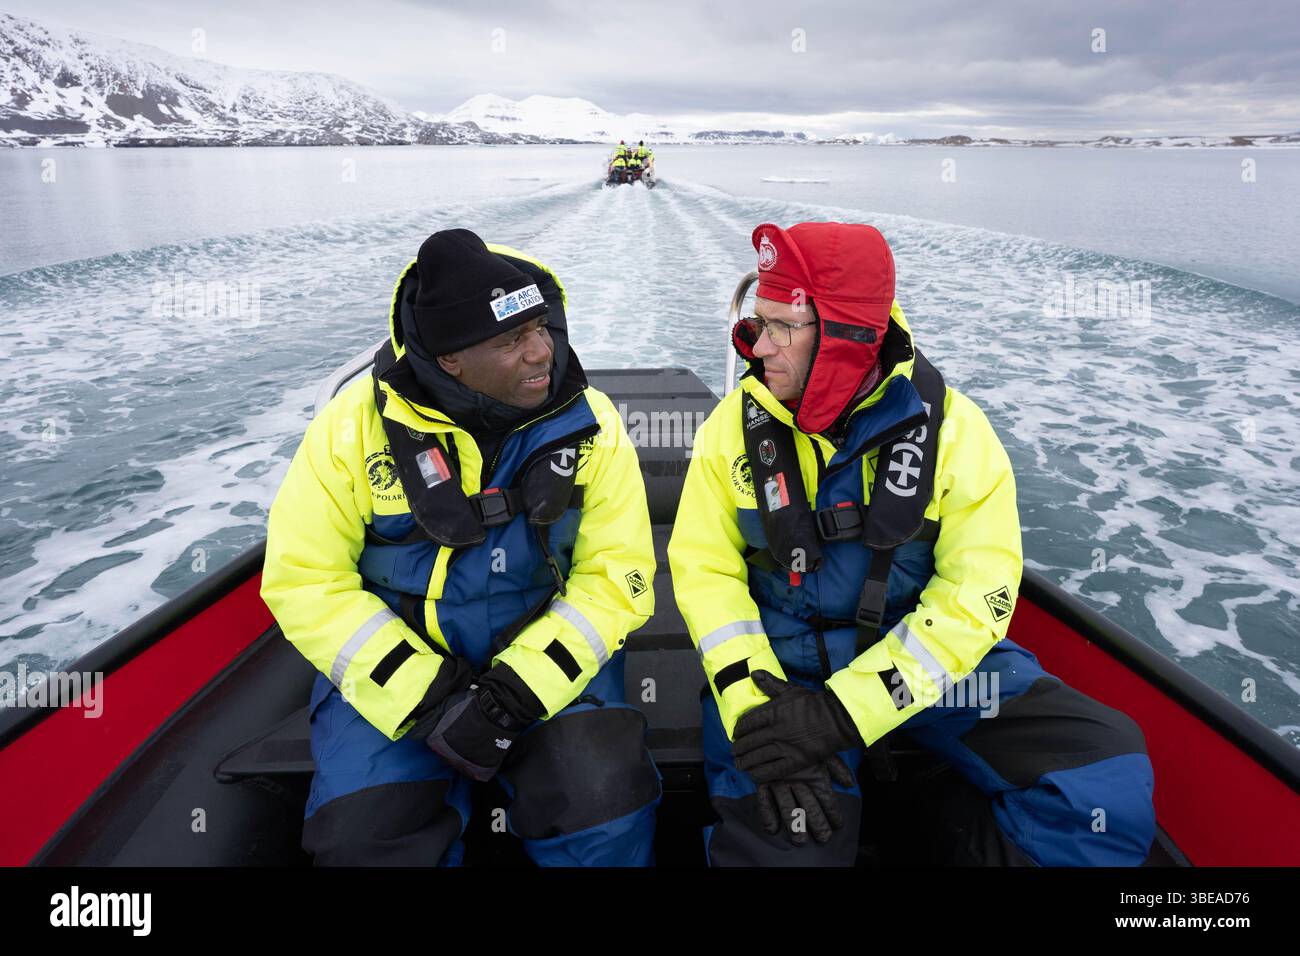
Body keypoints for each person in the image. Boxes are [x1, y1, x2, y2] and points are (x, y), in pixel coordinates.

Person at [667, 220, 1156, 866]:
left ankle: (940, 825)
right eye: (758, 324)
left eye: (782, 326)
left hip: (924, 670)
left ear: (848, 338)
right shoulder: (731, 429)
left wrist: (847, 714)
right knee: (788, 849)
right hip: (778, 678)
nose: (759, 349)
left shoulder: (957, 433)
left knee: (1105, 781)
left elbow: (977, 597)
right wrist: (759, 715)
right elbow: (705, 574)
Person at [261, 229, 661, 866]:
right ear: (450, 359)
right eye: (511, 340)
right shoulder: (349, 428)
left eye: (540, 328)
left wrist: (518, 692)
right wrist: (429, 698)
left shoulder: (592, 422)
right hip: (396, 673)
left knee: (605, 812)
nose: (542, 354)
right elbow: (303, 580)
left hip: (550, 669)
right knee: (365, 840)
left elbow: (621, 575)